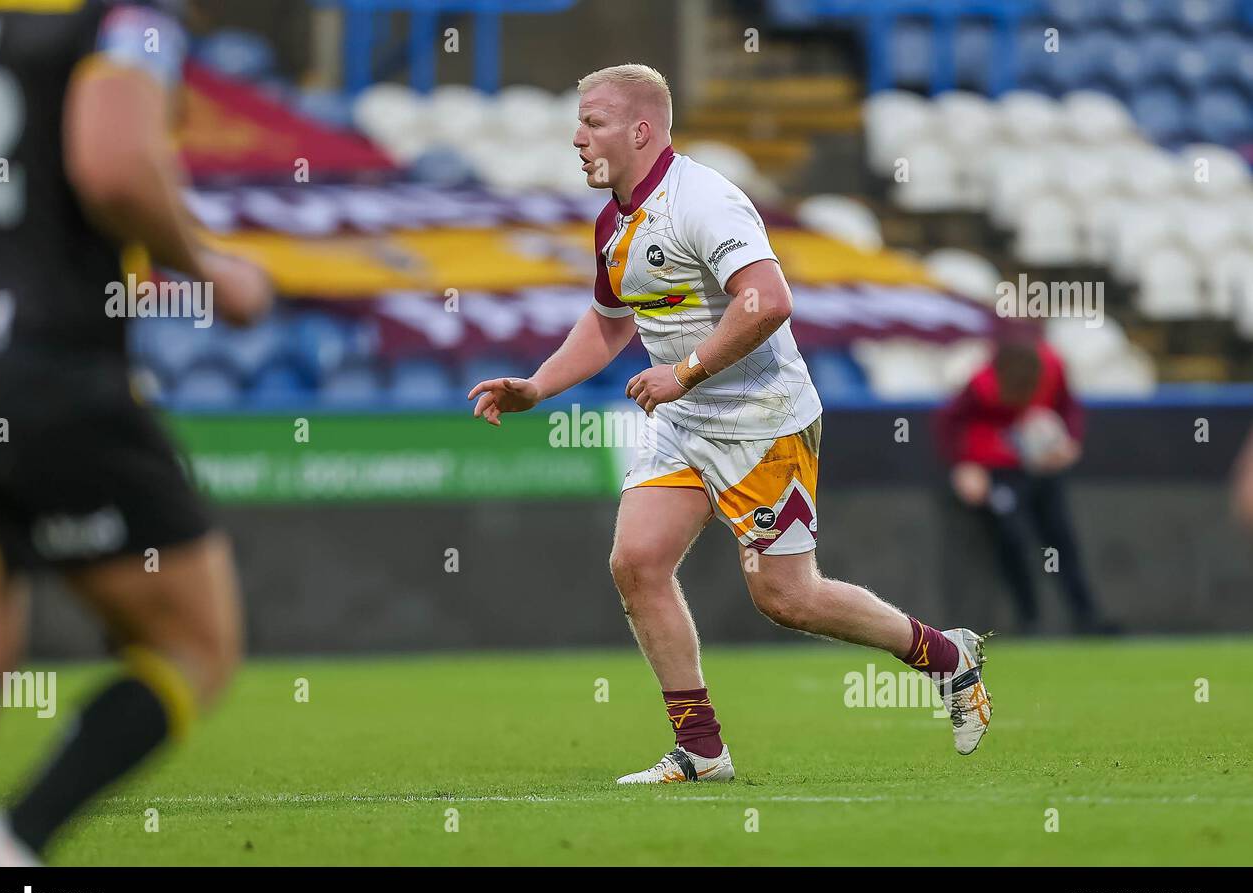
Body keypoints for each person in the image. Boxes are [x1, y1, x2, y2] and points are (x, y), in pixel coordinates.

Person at [468, 64, 992, 784]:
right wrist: (537, 387)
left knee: (787, 598)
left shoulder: (704, 200)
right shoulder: (613, 222)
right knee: (637, 562)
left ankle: (946, 656)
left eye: (592, 122)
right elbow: (607, 322)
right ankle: (702, 750)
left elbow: (768, 301)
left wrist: (682, 373)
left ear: (640, 130)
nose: (577, 137)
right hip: (685, 421)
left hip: (762, 423)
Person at [0, 0, 272, 864]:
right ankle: (17, 840)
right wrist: (213, 272)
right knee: (190, 643)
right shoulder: (125, 18)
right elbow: (116, 168)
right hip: (41, 367)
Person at [937, 333, 1112, 635]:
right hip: (1002, 470)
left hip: (1042, 468)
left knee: (1062, 540)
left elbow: (1069, 407)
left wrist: (1070, 441)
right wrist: (964, 464)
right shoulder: (981, 383)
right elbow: (950, 421)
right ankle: (1028, 619)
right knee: (1013, 539)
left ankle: (1086, 616)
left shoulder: (1054, 368)